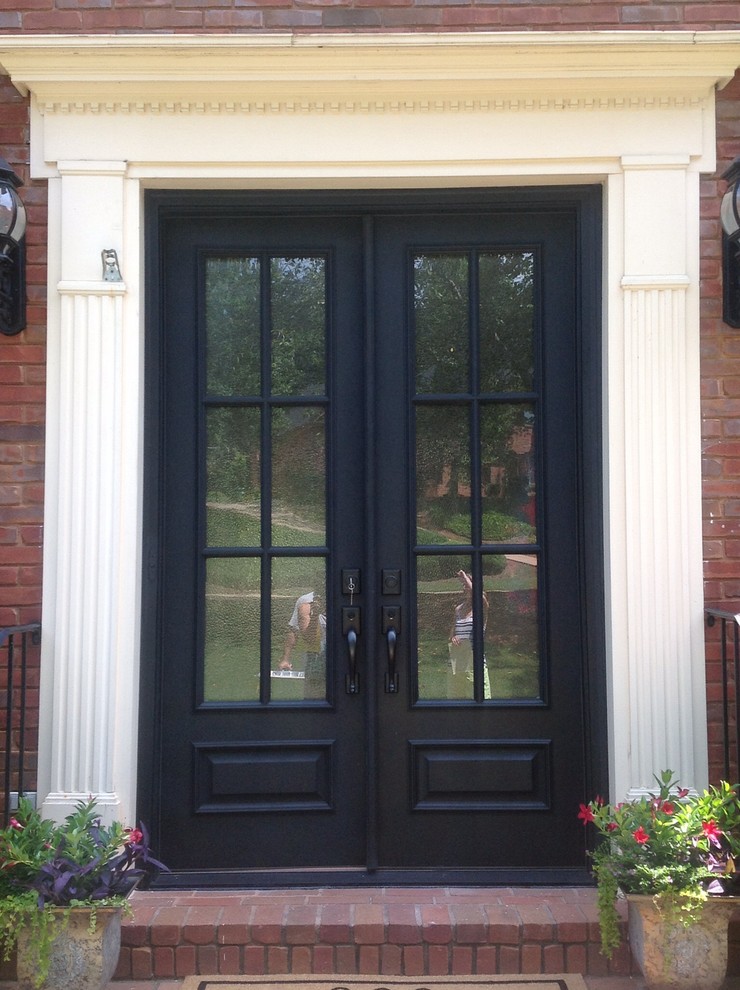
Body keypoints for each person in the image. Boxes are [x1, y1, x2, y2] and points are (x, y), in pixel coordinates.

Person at [448, 569, 491, 699]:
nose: (465, 588)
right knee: (456, 703)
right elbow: (451, 636)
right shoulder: (458, 609)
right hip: (457, 663)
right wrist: (454, 638)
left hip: (475, 664)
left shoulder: (481, 608)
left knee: (482, 702)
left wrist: (465, 577)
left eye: (468, 585)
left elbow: (477, 595)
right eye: (464, 586)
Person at [279, 589, 326, 698]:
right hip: (314, 655)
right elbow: (294, 631)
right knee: (313, 695)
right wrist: (286, 658)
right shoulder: (306, 601)